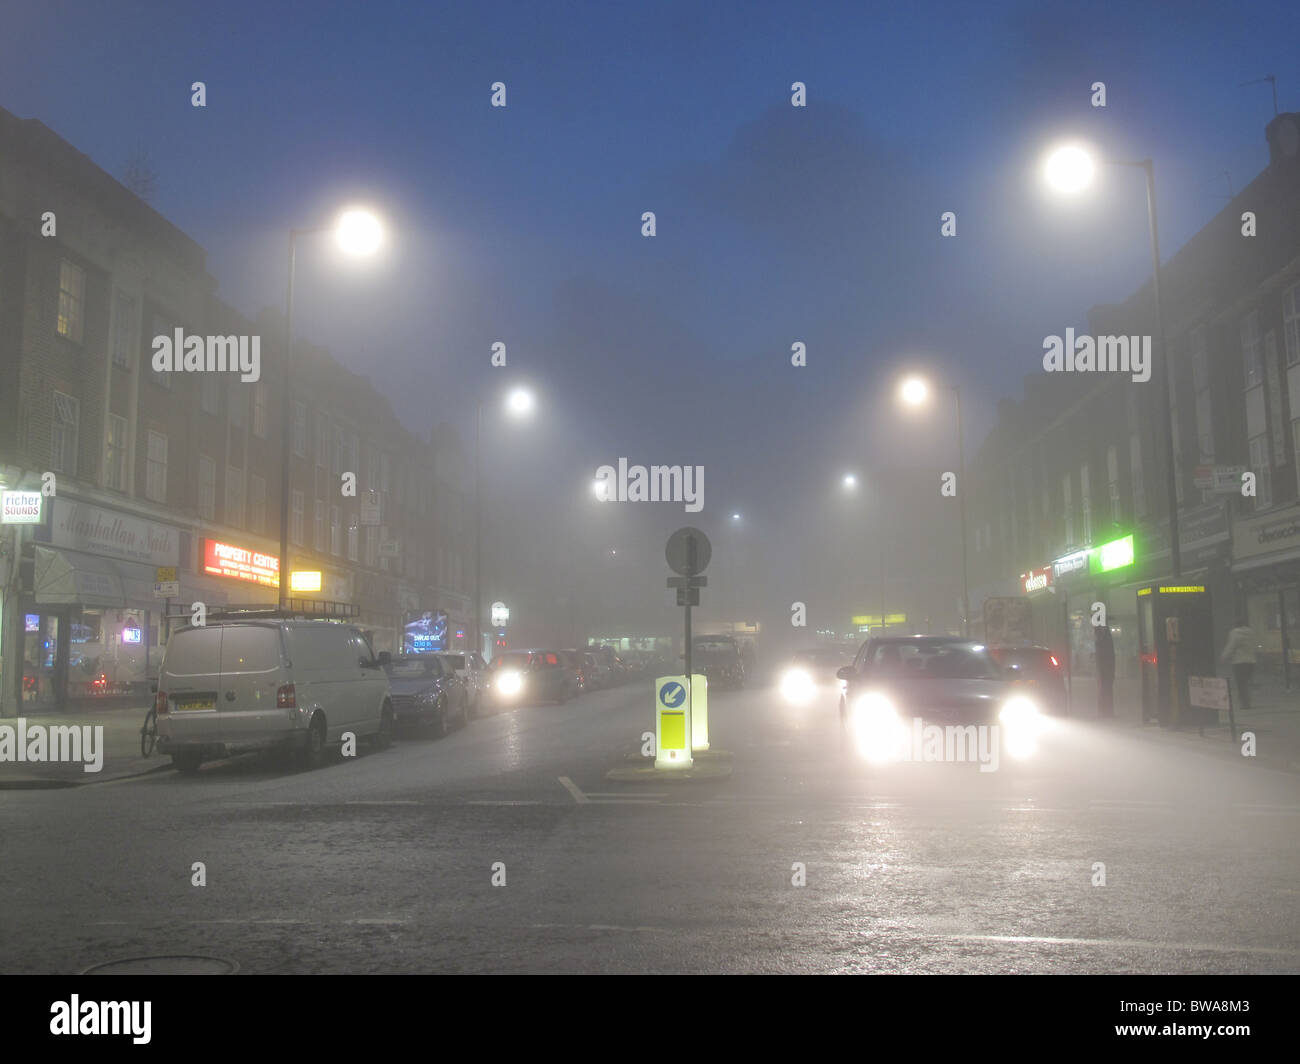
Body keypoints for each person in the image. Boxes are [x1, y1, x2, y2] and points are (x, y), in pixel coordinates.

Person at [1220, 617, 1257, 712]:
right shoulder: (1251, 632)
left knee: (1241, 683)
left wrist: (1224, 657)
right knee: (1247, 682)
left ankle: (1244, 703)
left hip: (1239, 662)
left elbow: (1231, 646)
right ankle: (1247, 700)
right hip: (1251, 661)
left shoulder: (1235, 633)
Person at [1094, 622, 1116, 718]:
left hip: (1106, 668)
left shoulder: (1102, 640)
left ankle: (1106, 711)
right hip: (1105, 668)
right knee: (1105, 689)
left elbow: (1108, 655)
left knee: (1105, 689)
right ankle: (1105, 711)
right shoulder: (1103, 639)